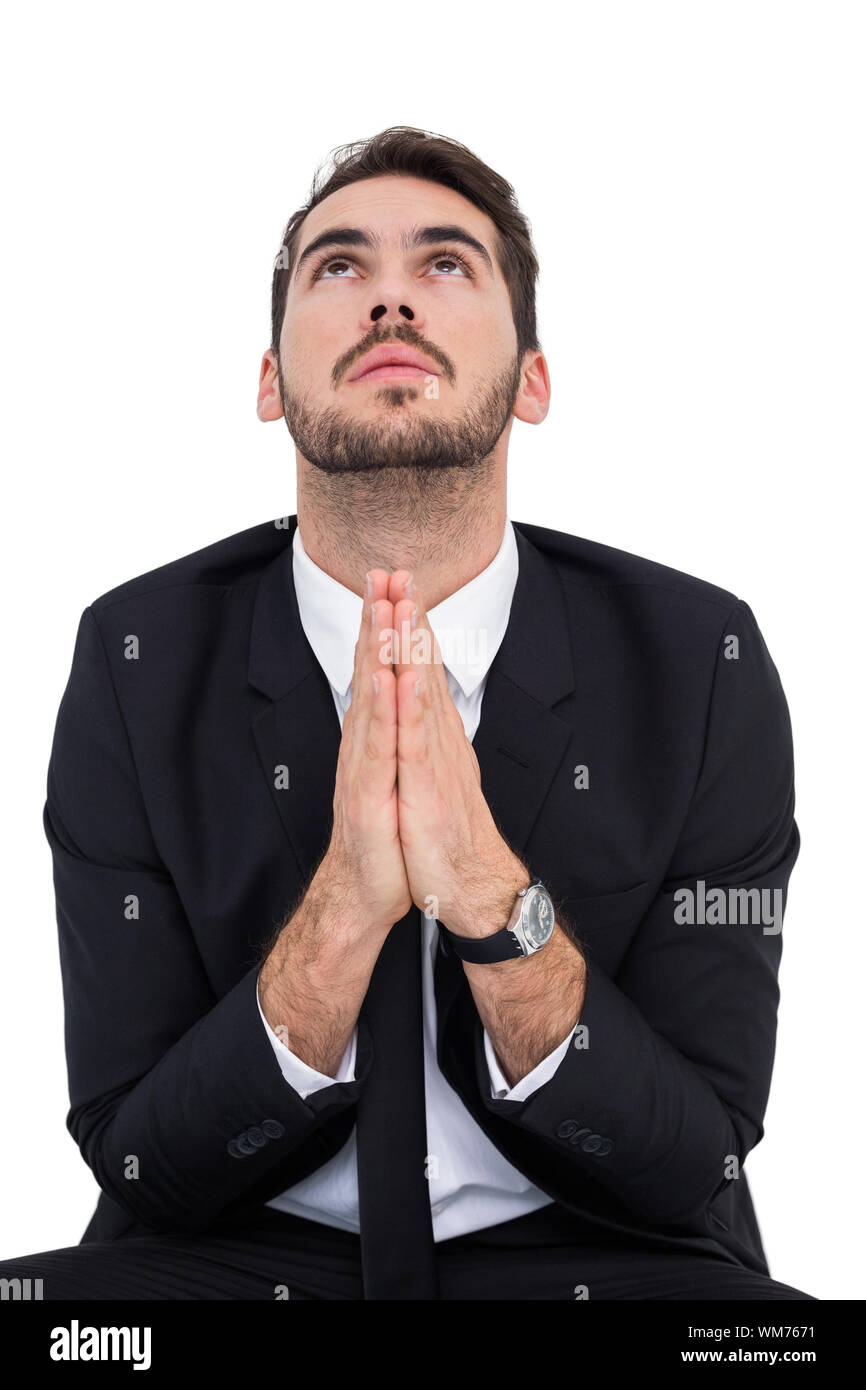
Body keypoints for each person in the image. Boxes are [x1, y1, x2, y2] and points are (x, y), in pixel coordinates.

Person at [0, 126, 815, 1300]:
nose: (388, 297)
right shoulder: (136, 657)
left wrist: (487, 894)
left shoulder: (699, 659)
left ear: (531, 378)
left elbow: (693, 1160)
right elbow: (143, 1158)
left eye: (444, 264)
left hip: (597, 1263)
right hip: (231, 1261)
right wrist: (341, 914)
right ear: (269, 381)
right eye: (338, 267)